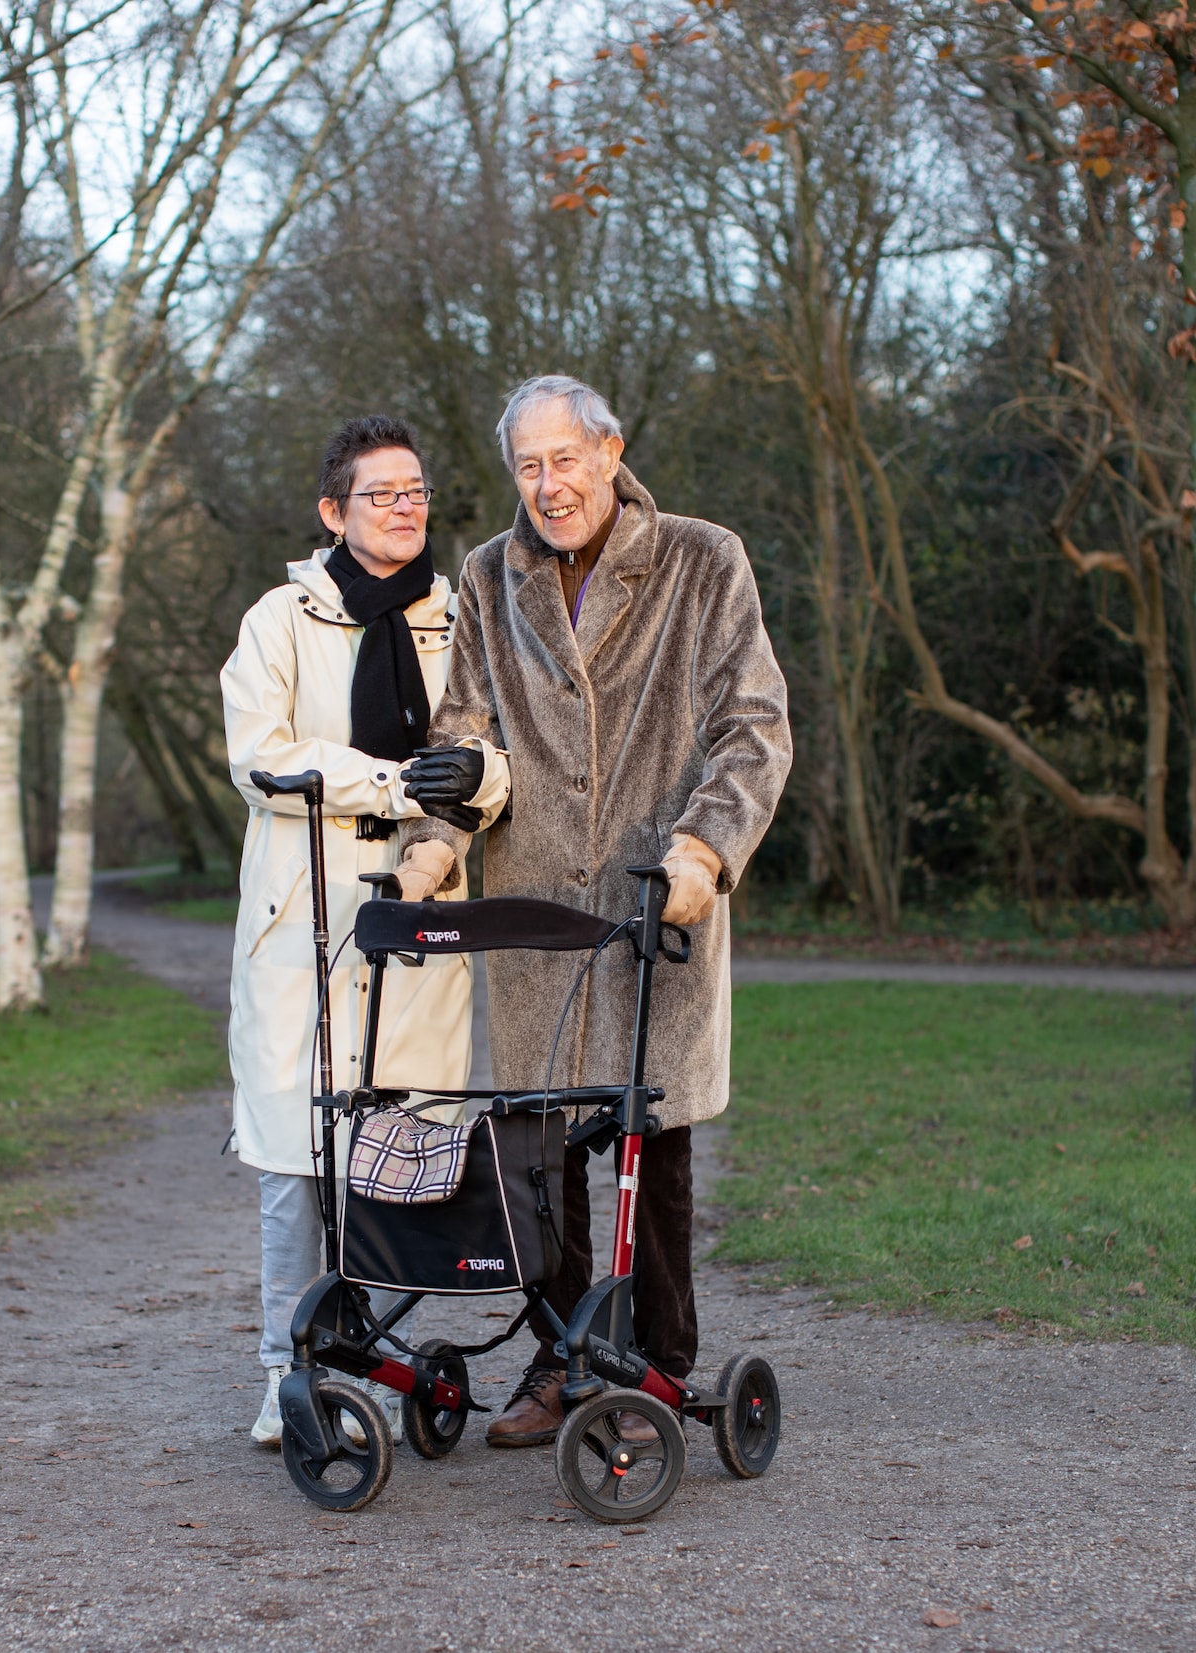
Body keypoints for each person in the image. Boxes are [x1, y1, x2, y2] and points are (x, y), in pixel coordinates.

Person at [395, 374, 791, 1448]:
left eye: (563, 459)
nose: (546, 485)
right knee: (538, 1152)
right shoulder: (489, 574)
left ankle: (657, 1363)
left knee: (645, 1137)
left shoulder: (702, 561)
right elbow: (467, 733)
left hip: (649, 900)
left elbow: (752, 726)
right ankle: (557, 1361)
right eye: (527, 465)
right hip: (533, 910)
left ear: (609, 452)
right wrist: (433, 842)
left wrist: (705, 848)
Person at [219, 415, 497, 1448]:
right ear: (333, 511)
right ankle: (284, 1370)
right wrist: (390, 777)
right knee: (298, 1162)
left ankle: (374, 1367)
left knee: (391, 1160)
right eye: (380, 494)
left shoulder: (463, 619)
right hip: (307, 923)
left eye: (416, 489)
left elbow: (496, 753)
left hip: (420, 917)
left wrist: (473, 777)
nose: (404, 508)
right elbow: (261, 758)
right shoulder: (278, 622)